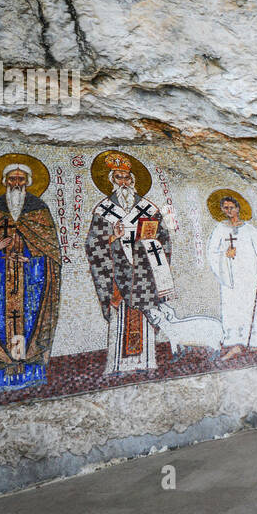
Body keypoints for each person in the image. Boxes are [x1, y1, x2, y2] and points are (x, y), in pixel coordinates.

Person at [0, 155, 61, 392]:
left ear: (28, 182)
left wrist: (31, 260)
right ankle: (0, 374)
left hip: (31, 285)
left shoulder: (39, 210)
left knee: (31, 324)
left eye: (20, 179)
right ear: (4, 181)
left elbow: (52, 254)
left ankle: (31, 370)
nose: (16, 183)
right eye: (12, 179)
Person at [85, 151, 175, 375]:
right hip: (118, 274)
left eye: (127, 178)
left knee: (145, 316)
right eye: (119, 178)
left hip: (144, 274)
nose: (123, 183)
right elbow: (92, 245)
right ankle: (118, 365)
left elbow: (164, 240)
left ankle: (146, 362)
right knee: (121, 314)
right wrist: (112, 238)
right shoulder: (103, 210)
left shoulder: (149, 209)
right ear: (111, 181)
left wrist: (151, 243)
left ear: (133, 181)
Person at [205, 190, 257, 361]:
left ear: (238, 208)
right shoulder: (220, 229)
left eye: (231, 207)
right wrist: (224, 255)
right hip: (230, 278)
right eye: (225, 208)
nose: (229, 211)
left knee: (253, 306)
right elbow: (212, 253)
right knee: (233, 308)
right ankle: (235, 344)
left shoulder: (249, 229)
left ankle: (256, 343)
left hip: (249, 276)